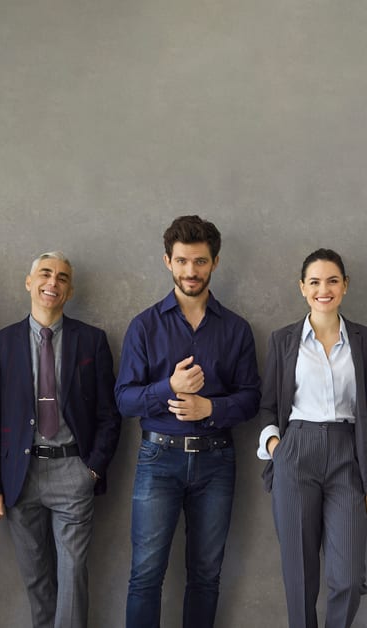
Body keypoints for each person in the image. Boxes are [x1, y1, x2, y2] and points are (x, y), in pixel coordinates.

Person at [115, 215, 262, 628]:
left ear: (215, 262)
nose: (190, 271)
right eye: (181, 261)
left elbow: (251, 398)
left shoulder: (236, 329)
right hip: (158, 460)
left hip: (217, 462)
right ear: (168, 261)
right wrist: (169, 388)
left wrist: (210, 409)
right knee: (145, 575)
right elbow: (124, 400)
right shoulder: (144, 326)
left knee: (206, 575)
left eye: (199, 261)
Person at [0, 252, 121, 628]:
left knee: (72, 573)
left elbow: (109, 414)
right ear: (29, 282)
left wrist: (92, 470)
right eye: (45, 274)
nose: (52, 282)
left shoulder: (91, 341)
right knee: (36, 579)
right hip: (19, 476)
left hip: (73, 470)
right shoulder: (0, 344)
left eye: (62, 278)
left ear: (69, 291)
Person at [257, 248, 367, 628]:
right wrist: (276, 448)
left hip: (348, 454)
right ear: (302, 287)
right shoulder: (283, 340)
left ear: (345, 285)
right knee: (299, 575)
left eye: (332, 281)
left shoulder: (365, 340)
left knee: (347, 577)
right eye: (314, 282)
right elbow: (268, 407)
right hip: (296, 451)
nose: (323, 290)